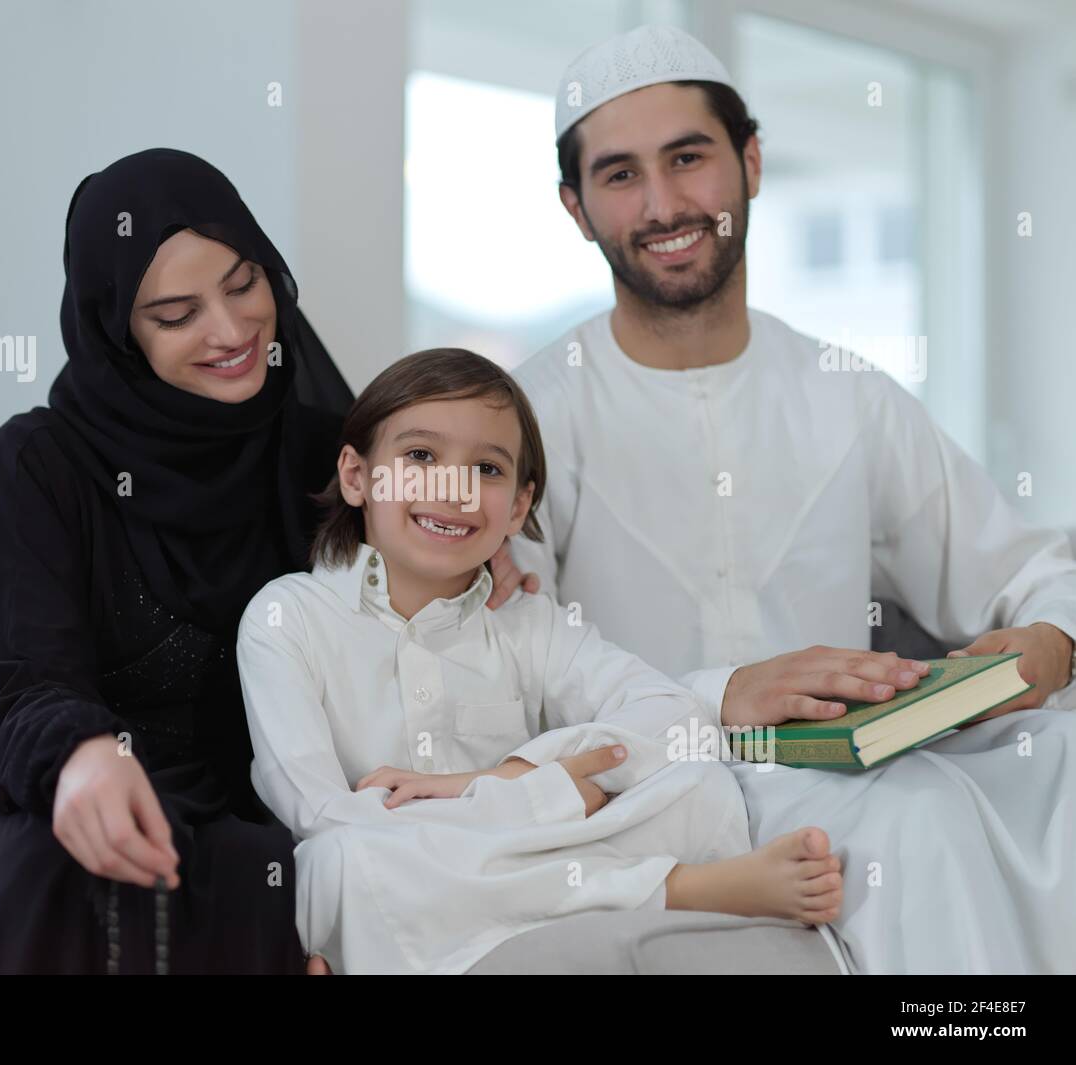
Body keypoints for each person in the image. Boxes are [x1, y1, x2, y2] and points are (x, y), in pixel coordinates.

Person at [491, 25, 1076, 973]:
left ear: (751, 162)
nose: (664, 204)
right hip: (662, 780)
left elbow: (1028, 571)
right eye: (621, 175)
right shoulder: (523, 421)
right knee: (915, 817)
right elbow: (511, 680)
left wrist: (1052, 642)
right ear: (576, 208)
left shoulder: (846, 391)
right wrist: (716, 699)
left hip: (856, 756)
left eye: (688, 159)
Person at [0, 148, 356, 973]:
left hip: (260, 811)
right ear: (117, 331)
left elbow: (418, 565)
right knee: (59, 860)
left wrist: (483, 566)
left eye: (244, 284)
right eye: (175, 314)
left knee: (277, 863)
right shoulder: (42, 461)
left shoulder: (322, 450)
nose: (232, 330)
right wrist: (82, 756)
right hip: (80, 799)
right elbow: (27, 675)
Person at [236, 348, 845, 975]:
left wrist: (515, 775)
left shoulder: (530, 622)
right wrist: (548, 799)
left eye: (487, 468)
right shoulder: (286, 618)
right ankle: (678, 888)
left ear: (520, 507)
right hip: (411, 864)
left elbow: (667, 713)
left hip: (523, 856)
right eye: (421, 456)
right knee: (337, 865)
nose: (453, 488)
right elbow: (318, 813)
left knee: (699, 783)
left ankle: (509, 910)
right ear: (357, 476)